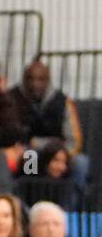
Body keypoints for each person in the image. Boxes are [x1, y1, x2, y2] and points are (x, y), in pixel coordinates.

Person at [11, 59, 88, 193]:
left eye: (41, 79)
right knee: (30, 157)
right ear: (23, 79)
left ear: (48, 80)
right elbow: (13, 136)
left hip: (60, 152)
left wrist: (58, 156)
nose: (35, 84)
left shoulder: (62, 101)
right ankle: (31, 203)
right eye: (30, 79)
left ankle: (70, 210)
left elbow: (74, 141)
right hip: (28, 151)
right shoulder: (13, 98)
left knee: (80, 162)